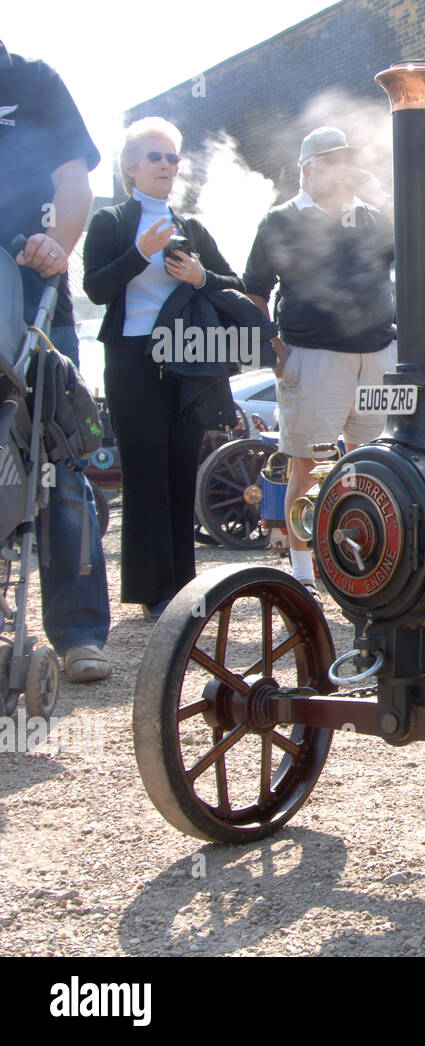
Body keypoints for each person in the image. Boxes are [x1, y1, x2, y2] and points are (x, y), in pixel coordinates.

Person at [83, 118, 250, 620]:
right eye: (154, 157)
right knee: (144, 470)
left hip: (188, 354)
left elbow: (233, 282)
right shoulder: (110, 221)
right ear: (131, 166)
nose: (165, 166)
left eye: (172, 158)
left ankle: (182, 586)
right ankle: (151, 590)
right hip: (133, 358)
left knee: (181, 467)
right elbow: (95, 288)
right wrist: (140, 254)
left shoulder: (192, 226)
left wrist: (202, 276)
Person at [243, 127, 396, 594]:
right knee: (307, 466)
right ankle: (304, 576)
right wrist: (275, 350)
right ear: (308, 167)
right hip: (313, 356)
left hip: (376, 354)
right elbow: (253, 288)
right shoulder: (279, 220)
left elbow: (410, 248)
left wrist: (382, 198)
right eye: (334, 159)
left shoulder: (372, 217)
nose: (345, 167)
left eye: (347, 158)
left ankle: (370, 564)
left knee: (379, 463)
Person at [0, 40, 110, 683]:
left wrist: (57, 244)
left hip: (33, 305)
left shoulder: (34, 81)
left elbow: (75, 183)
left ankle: (77, 633)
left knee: (59, 464)